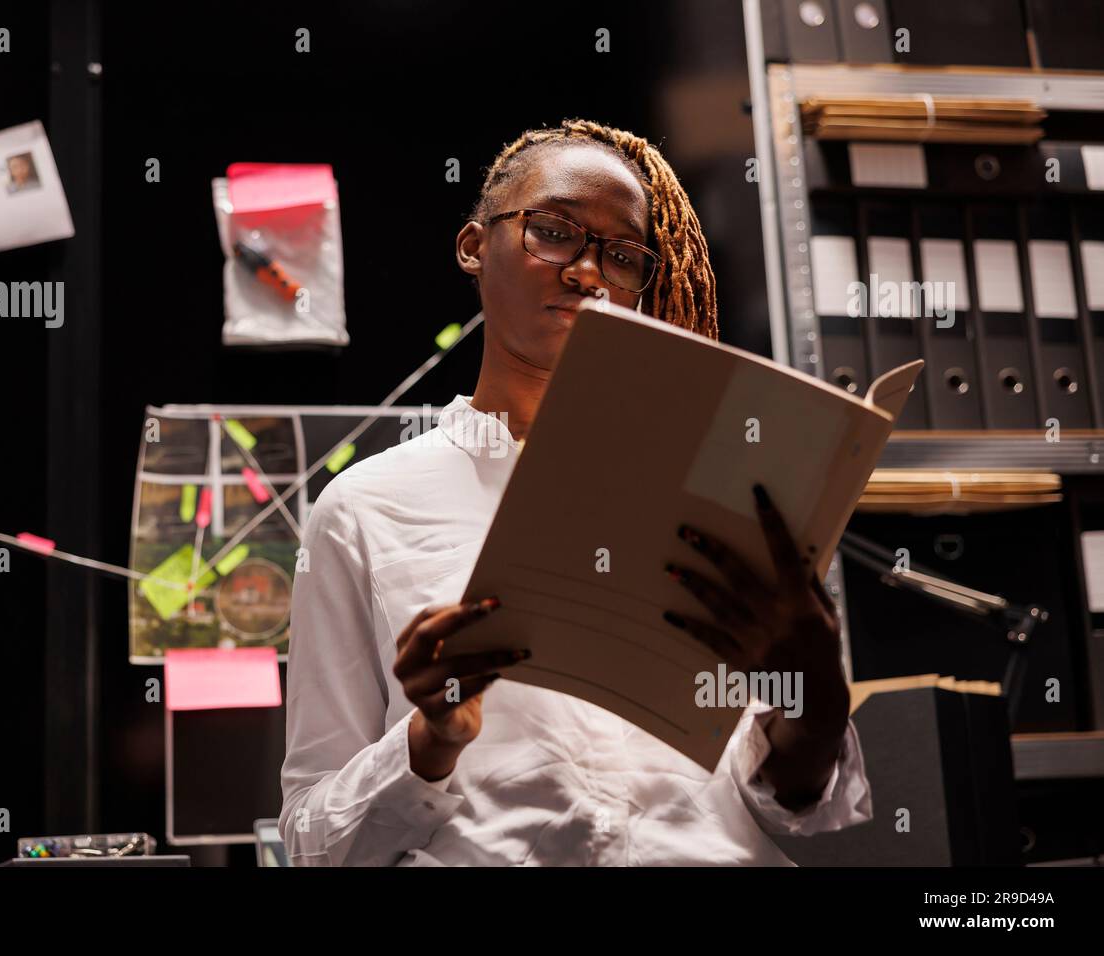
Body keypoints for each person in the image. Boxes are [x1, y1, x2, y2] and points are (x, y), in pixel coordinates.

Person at [279, 118, 871, 866]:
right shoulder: (365, 509)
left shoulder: (709, 490)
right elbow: (309, 841)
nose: (588, 272)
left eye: (622, 255)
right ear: (473, 246)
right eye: (553, 231)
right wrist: (429, 744)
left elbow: (782, 803)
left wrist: (814, 697)